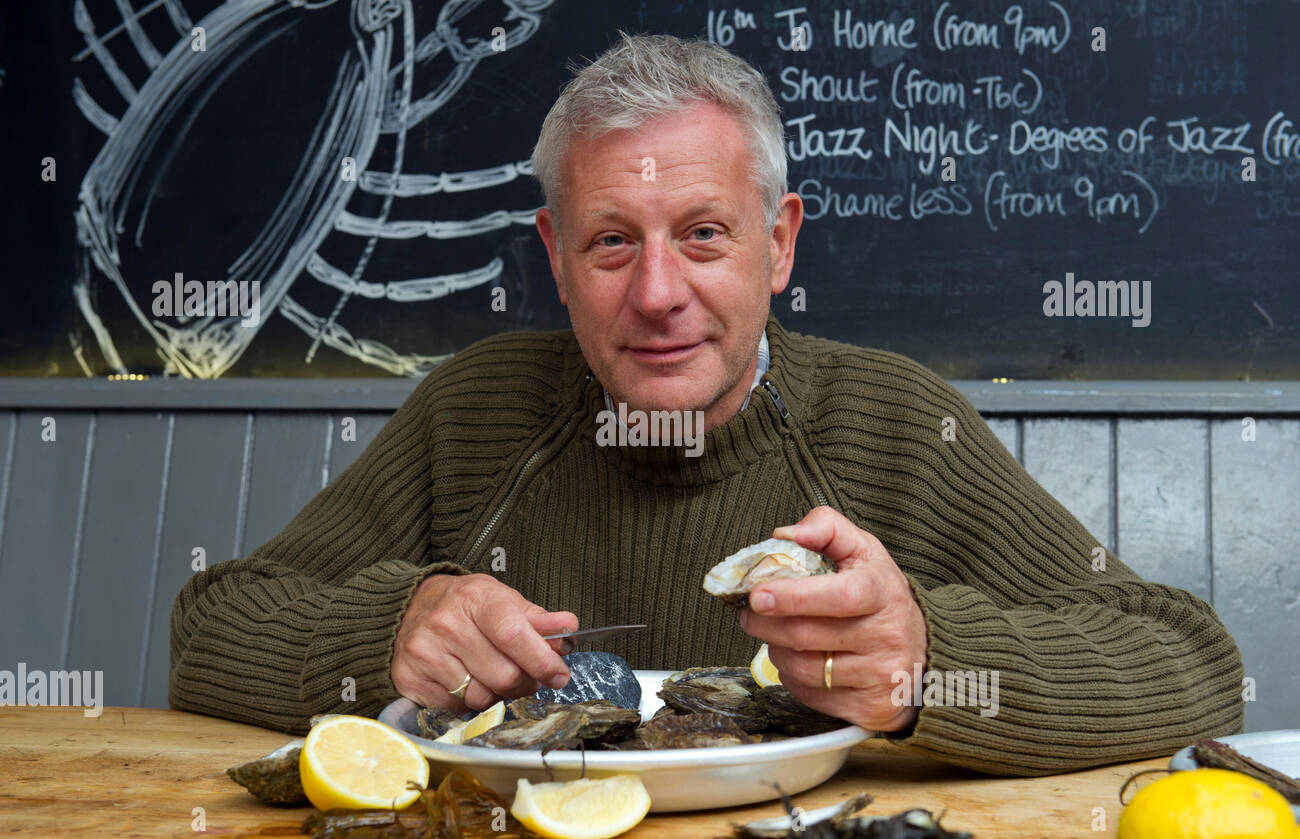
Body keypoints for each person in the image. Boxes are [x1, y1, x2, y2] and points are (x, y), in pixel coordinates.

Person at [170, 32, 1244, 776]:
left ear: (778, 244)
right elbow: (208, 625)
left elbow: (1192, 661)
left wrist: (931, 671)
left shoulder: (904, 425)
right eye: (609, 242)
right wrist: (384, 631)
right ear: (553, 256)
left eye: (703, 233)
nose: (656, 294)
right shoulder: (470, 411)